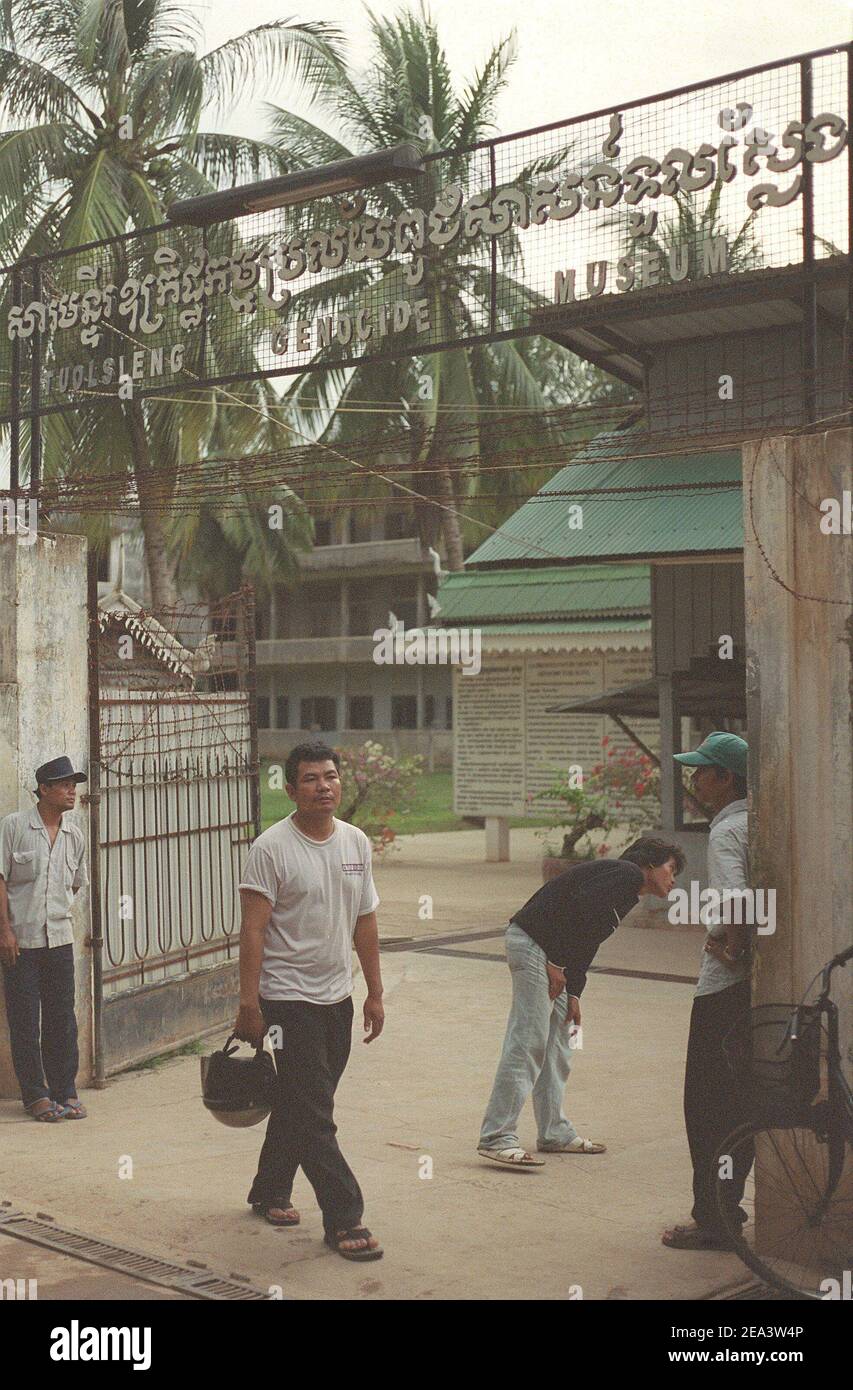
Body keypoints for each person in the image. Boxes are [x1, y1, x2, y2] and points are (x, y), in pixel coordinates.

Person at [234, 741, 385, 1262]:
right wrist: (249, 1004)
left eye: (331, 776)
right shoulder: (271, 848)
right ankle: (345, 1218)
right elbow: (252, 931)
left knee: (303, 1103)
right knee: (315, 1112)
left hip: (336, 998)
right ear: (290, 789)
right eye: (312, 779)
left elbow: (365, 921)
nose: (325, 786)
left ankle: (270, 1189)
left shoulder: (356, 843)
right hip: (285, 1001)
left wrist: (375, 992)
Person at [477, 836, 684, 1168]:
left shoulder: (626, 888)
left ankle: (554, 1132)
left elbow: (588, 938)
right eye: (671, 869)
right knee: (528, 1040)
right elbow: (578, 912)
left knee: (559, 1042)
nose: (673, 879)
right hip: (534, 944)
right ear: (649, 864)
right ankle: (496, 1136)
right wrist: (557, 962)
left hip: (549, 951)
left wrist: (574, 993)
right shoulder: (627, 873)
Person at [662, 731, 753, 1250]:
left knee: (706, 1104)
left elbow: (737, 898)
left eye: (702, 771)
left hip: (723, 989)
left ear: (725, 778)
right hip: (755, 990)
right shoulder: (756, 822)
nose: (695, 779)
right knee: (741, 1102)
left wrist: (732, 948)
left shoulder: (725, 833)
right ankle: (728, 1207)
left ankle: (714, 1219)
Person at [0, 756, 89, 1122]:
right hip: (21, 941)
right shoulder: (15, 827)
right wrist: (5, 930)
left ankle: (65, 1090)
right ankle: (35, 1095)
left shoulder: (75, 834)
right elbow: (0, 877)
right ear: (44, 789)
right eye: (64, 784)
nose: (72, 791)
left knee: (61, 1019)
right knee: (24, 1021)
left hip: (60, 940)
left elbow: (75, 882)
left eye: (73, 784)